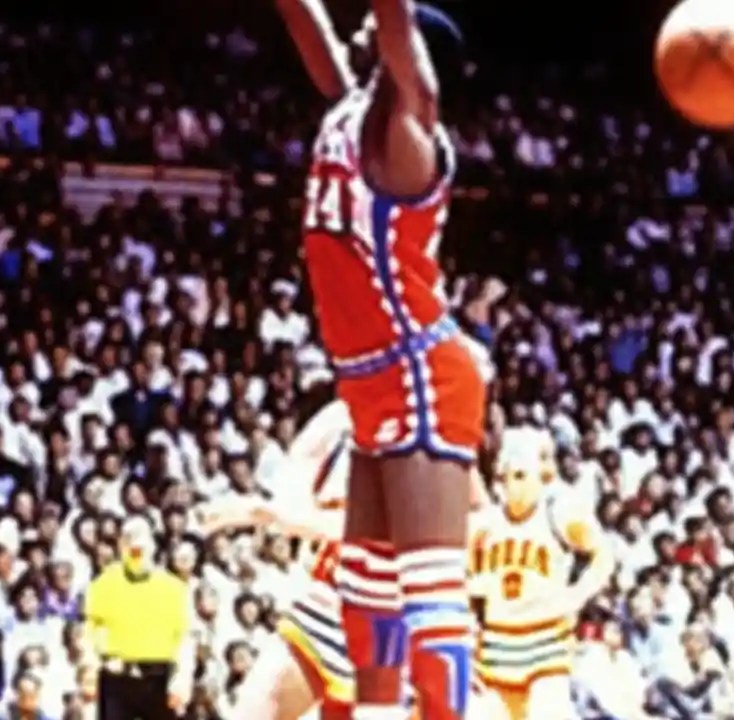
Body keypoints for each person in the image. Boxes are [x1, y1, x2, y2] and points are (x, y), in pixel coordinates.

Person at [276, 0, 481, 717]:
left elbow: (393, 20)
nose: (365, 21)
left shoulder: (410, 130)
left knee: (429, 601)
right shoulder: (351, 109)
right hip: (371, 379)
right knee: (366, 603)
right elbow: (307, 24)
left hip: (418, 373)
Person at [200, 389, 501, 720]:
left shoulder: (440, 432)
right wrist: (284, 510)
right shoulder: (340, 416)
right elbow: (297, 477)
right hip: (330, 594)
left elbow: (484, 519)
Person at [468, 427, 616, 720]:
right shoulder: (481, 526)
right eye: (512, 476)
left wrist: (577, 594)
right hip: (496, 645)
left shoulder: (558, 515)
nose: (518, 485)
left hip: (546, 642)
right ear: (500, 477)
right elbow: (461, 586)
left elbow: (604, 555)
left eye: (526, 475)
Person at [84, 515, 191, 720]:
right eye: (130, 541)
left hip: (159, 679)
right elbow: (90, 631)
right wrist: (91, 668)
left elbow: (184, 637)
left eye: (142, 543)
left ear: (153, 545)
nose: (137, 550)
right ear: (121, 545)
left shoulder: (172, 588)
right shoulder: (103, 584)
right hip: (117, 679)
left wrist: (182, 677)